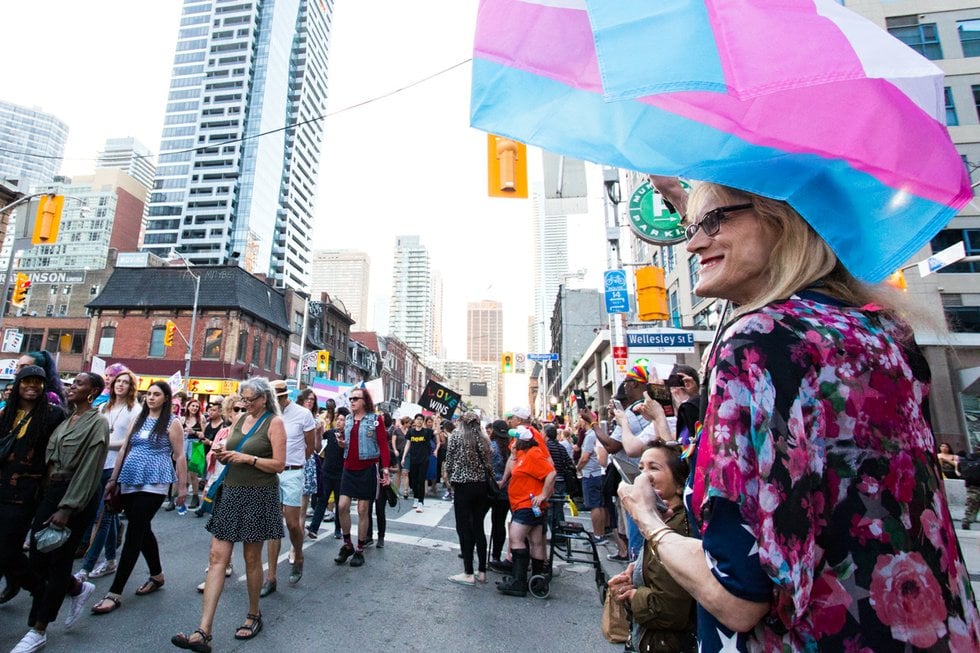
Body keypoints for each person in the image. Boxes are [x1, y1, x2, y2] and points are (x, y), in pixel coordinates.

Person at [618, 181, 980, 651]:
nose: (693, 243)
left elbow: (739, 597)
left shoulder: (756, 341)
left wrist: (647, 519)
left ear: (784, 220)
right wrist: (694, 203)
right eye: (692, 227)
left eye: (712, 222)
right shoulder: (885, 334)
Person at [172, 377, 286, 652]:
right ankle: (203, 631)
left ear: (263, 398)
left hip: (258, 494)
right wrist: (223, 454)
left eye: (249, 400)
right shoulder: (240, 419)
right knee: (216, 558)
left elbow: (279, 464)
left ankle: (254, 614)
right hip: (232, 492)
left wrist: (247, 459)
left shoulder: (274, 423)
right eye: (242, 399)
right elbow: (230, 448)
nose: (245, 404)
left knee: (251, 558)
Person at [10, 373, 108, 653]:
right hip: (51, 492)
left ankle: (38, 628)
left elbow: (89, 469)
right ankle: (77, 588)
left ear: (93, 391)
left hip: (75, 494)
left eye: (79, 383)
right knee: (37, 558)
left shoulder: (97, 423)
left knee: (58, 563)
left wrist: (67, 508)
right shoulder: (66, 419)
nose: (72, 386)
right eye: (71, 383)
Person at [90, 380, 186, 615]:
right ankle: (157, 575)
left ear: (166, 398)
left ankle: (115, 592)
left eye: (156, 394)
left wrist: (182, 488)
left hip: (155, 482)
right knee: (142, 528)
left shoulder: (172, 422)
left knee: (135, 531)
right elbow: (125, 449)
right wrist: (114, 479)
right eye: (149, 394)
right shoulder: (139, 418)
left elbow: (180, 455)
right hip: (130, 478)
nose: (151, 398)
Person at [607, 442, 696, 653]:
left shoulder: (677, 527)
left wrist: (632, 595)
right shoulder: (663, 520)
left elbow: (667, 610)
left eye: (654, 468)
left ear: (680, 484)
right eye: (640, 469)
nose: (643, 478)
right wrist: (636, 573)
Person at [0, 366, 67, 606]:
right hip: (2, 485)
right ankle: (15, 582)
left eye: (37, 382)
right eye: (26, 381)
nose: (32, 386)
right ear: (18, 384)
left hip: (28, 491)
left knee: (8, 550)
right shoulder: (5, 414)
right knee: (7, 549)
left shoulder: (54, 415)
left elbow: (58, 454)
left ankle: (39, 588)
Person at [76, 369, 140, 582]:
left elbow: (130, 441)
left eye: (125, 382)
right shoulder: (103, 407)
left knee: (102, 518)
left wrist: (104, 444)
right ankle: (111, 559)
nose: (120, 385)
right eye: (118, 381)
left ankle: (86, 568)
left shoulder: (136, 410)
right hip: (97, 465)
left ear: (131, 387)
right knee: (109, 515)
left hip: (117, 467)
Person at [260, 380, 315, 595]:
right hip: (272, 472)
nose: (276, 402)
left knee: (292, 523)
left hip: (293, 472)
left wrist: (297, 463)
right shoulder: (268, 415)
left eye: (279, 398)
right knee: (273, 525)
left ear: (285, 397)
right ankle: (271, 577)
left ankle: (298, 555)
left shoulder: (303, 414)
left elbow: (310, 445)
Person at [496, 426, 556, 597]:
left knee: (516, 538)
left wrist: (543, 494)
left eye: (516, 440)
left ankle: (519, 581)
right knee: (536, 541)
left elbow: (551, 473)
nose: (513, 443)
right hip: (528, 505)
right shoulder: (523, 454)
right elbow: (513, 465)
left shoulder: (534, 454)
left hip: (527, 504)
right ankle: (536, 580)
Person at [334, 388, 390, 568]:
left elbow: (383, 444)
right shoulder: (348, 419)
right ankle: (347, 545)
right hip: (349, 468)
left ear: (365, 401)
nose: (352, 401)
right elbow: (349, 443)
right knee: (341, 506)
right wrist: (343, 444)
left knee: (363, 509)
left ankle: (359, 549)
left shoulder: (375, 420)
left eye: (356, 398)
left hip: (367, 468)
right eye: (351, 398)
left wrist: (385, 469)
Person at [444, 412, 493, 586]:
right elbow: (489, 465)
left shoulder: (457, 437)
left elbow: (449, 461)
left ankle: (468, 572)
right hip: (481, 486)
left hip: (463, 485)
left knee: (464, 528)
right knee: (478, 526)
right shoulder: (484, 439)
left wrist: (450, 480)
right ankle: (482, 571)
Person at [308, 412, 345, 540]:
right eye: (338, 419)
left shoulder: (348, 437)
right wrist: (319, 432)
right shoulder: (330, 433)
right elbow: (318, 446)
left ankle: (338, 529)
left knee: (340, 503)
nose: (339, 421)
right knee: (322, 501)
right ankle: (313, 528)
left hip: (341, 474)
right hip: (327, 472)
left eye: (342, 420)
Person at [575, 411, 607, 544]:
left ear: (584, 421)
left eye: (579, 419)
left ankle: (598, 535)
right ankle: (600, 532)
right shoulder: (594, 434)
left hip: (591, 474)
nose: (578, 422)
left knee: (594, 505)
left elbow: (585, 457)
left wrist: (578, 468)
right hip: (596, 473)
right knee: (599, 505)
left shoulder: (590, 436)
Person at [297, 389, 323, 536]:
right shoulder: (293, 417)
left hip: (307, 463)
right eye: (307, 398)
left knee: (302, 507)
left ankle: (297, 545)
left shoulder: (316, 422)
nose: (309, 401)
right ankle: (299, 534)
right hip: (291, 462)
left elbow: (317, 449)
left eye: (312, 399)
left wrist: (318, 434)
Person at [487, 420, 512, 568]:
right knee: (500, 523)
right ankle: (496, 555)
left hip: (493, 488)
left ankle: (494, 555)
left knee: (494, 522)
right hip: (508, 490)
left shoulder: (492, 447)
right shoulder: (511, 447)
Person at [402, 414, 433, 513]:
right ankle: (415, 499)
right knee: (414, 481)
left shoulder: (427, 432)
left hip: (423, 460)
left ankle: (421, 502)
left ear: (423, 421)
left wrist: (436, 420)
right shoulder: (411, 432)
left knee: (421, 480)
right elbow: (407, 444)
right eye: (417, 419)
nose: (419, 421)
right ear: (414, 421)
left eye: (421, 419)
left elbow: (436, 432)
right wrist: (403, 457)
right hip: (413, 459)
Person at [181, 398, 204, 510]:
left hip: (196, 445)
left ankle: (195, 497)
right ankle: (178, 497)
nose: (194, 408)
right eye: (192, 406)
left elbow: (203, 435)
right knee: (182, 472)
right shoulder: (182, 419)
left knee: (193, 474)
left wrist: (194, 432)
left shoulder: (201, 418)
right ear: (188, 407)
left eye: (196, 406)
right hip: (184, 443)